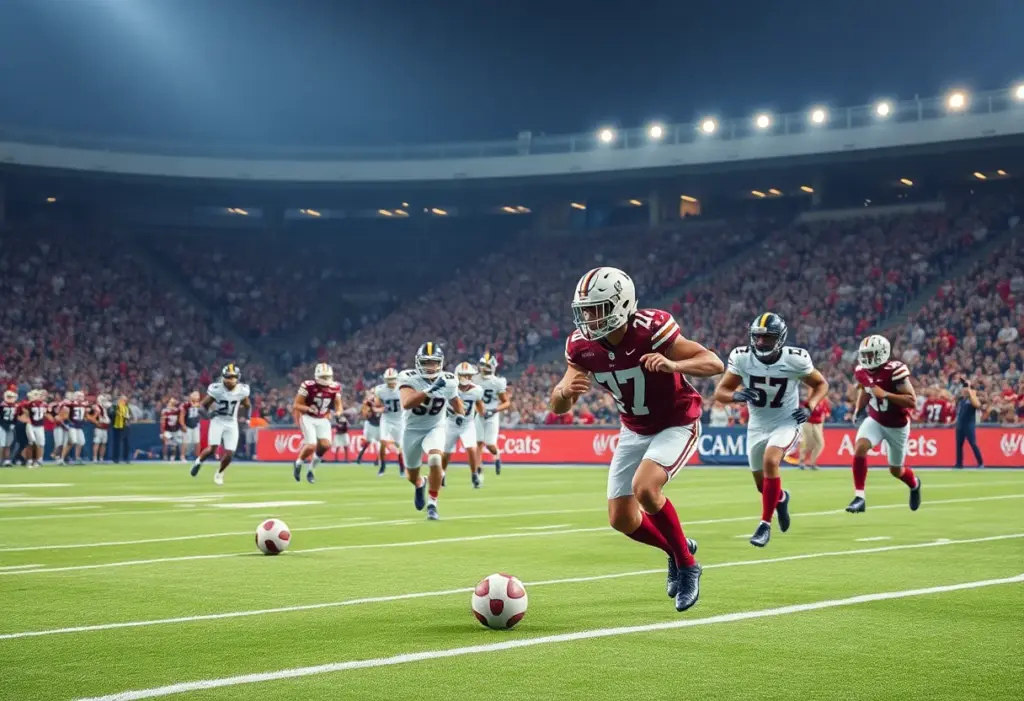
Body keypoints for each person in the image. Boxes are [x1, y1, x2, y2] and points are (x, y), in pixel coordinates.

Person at [551, 266, 723, 612]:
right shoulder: (581, 346)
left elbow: (714, 363)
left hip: (677, 422)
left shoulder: (653, 329)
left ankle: (689, 565)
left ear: (621, 304)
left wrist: (675, 367)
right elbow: (558, 406)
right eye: (584, 310)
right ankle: (676, 549)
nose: (589, 318)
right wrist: (565, 390)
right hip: (633, 428)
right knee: (621, 519)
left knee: (646, 488)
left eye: (596, 309)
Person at [714, 313, 829, 547]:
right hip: (756, 425)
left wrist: (809, 407)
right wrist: (736, 395)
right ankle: (782, 499)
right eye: (757, 337)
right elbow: (720, 392)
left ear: (780, 339)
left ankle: (764, 525)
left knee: (770, 461)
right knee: (761, 485)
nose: (760, 343)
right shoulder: (743, 358)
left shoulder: (795, 359)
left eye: (767, 338)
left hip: (786, 421)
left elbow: (821, 384)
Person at [846, 335, 921, 513]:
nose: (867, 359)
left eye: (871, 354)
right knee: (860, 448)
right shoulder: (861, 371)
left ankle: (914, 484)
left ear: (882, 353)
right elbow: (866, 390)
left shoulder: (895, 370)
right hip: (876, 420)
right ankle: (859, 497)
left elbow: (911, 401)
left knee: (896, 470)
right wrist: (858, 409)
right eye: (865, 354)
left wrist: (886, 394)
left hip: (897, 426)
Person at [398, 342, 465, 521]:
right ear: (419, 362)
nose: (430, 367)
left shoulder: (449, 380)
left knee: (435, 459)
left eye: (434, 362)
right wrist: (430, 390)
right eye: (426, 362)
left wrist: (460, 414)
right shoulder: (408, 377)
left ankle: (433, 504)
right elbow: (407, 403)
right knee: (411, 476)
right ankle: (420, 483)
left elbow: (456, 402)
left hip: (435, 427)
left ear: (440, 363)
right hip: (412, 430)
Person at [190, 364, 251, 485]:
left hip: (232, 422)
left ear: (237, 378)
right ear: (223, 377)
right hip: (218, 421)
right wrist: (208, 416)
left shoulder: (242, 390)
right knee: (213, 449)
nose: (230, 380)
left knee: (230, 453)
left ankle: (220, 472)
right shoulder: (217, 389)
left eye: (233, 377)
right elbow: (203, 406)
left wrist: (248, 418)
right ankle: (198, 462)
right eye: (228, 377)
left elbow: (248, 405)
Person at [291, 363, 342, 483]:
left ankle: (311, 470)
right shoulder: (308, 386)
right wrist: (308, 409)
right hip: (308, 417)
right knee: (311, 444)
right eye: (323, 377)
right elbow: (296, 405)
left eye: (327, 377)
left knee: (326, 445)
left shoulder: (335, 387)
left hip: (323, 418)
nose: (325, 381)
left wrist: (339, 412)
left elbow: (338, 404)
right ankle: (298, 463)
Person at [443, 362, 487, 489]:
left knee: (471, 449)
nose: (466, 378)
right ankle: (442, 473)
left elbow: (479, 405)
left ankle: (474, 475)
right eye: (463, 375)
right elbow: (443, 405)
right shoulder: (450, 388)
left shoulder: (476, 390)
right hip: (451, 423)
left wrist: (483, 412)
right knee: (446, 453)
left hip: (467, 424)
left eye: (468, 375)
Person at [475, 352, 511, 475]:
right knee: (478, 442)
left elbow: (506, 403)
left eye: (486, 365)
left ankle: (496, 454)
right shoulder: (474, 379)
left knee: (490, 444)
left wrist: (494, 410)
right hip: (478, 414)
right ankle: (478, 470)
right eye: (482, 365)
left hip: (492, 415)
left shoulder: (498, 382)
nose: (484, 368)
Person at [374, 368, 405, 476]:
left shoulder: (403, 388)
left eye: (392, 379)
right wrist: (379, 409)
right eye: (389, 379)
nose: (391, 382)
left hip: (400, 420)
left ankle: (402, 468)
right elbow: (376, 406)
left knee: (400, 446)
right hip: (387, 420)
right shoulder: (380, 390)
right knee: (383, 442)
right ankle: (382, 466)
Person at [953, 376, 984, 469]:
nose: (963, 389)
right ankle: (959, 464)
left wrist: (971, 391)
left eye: (965, 388)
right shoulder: (962, 400)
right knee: (959, 445)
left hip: (969, 424)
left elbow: (978, 405)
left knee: (973, 443)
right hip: (960, 424)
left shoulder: (972, 399)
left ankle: (980, 462)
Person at [798, 393, 831, 470]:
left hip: (817, 424)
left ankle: (812, 462)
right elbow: (805, 410)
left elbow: (826, 414)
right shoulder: (811, 400)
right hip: (807, 423)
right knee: (809, 443)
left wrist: (821, 427)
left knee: (820, 444)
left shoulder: (824, 402)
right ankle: (802, 461)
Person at [110, 395, 132, 464]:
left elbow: (130, 415)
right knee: (117, 443)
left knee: (126, 443)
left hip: (125, 426)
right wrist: (115, 413)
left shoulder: (127, 407)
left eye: (125, 400)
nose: (124, 401)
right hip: (117, 426)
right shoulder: (115, 406)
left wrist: (128, 418)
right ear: (119, 400)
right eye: (123, 400)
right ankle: (116, 458)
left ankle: (126, 458)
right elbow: (111, 413)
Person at [1, 390, 20, 466]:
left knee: (8, 445)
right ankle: (1, 460)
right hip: (2, 427)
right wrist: (5, 425)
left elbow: (15, 417)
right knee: (2, 445)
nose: (10, 398)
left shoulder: (15, 406)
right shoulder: (2, 405)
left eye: (11, 397)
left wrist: (13, 424)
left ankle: (6, 461)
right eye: (9, 397)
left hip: (10, 427)